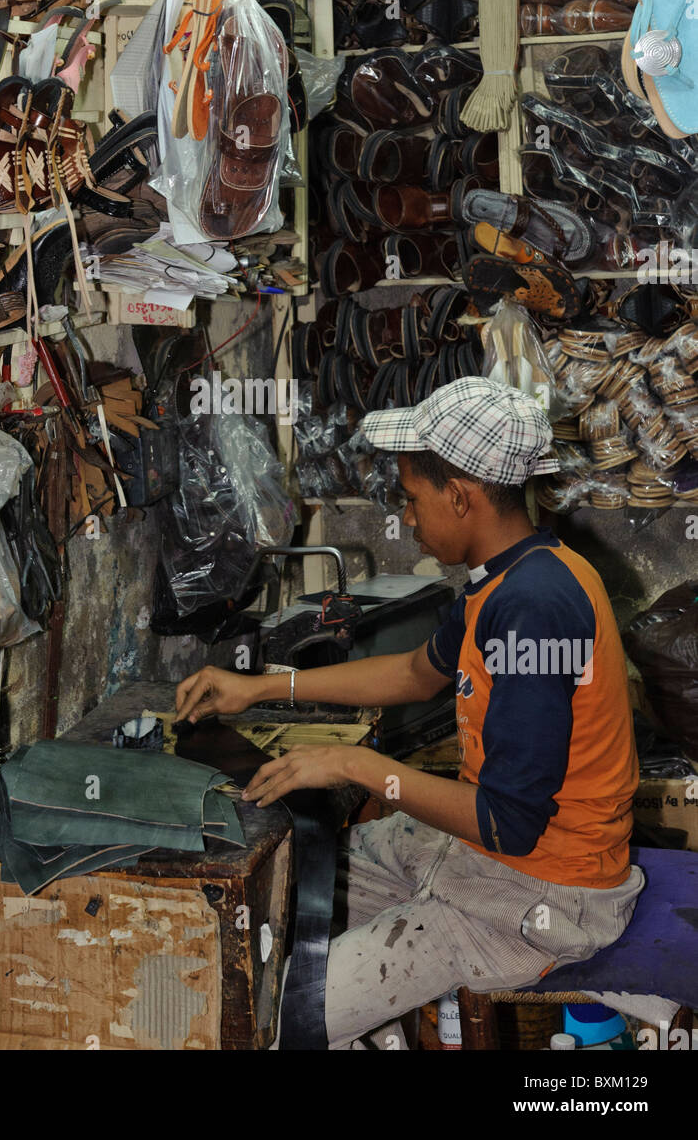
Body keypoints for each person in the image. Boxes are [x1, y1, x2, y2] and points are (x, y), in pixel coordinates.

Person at [174, 377, 644, 1049]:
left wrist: (355, 764)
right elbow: (414, 673)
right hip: (482, 855)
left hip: (541, 896)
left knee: (272, 1020)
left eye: (412, 498)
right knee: (290, 882)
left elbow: (507, 824)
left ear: (461, 496)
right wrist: (262, 687)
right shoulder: (507, 576)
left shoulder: (535, 607)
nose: (409, 517)